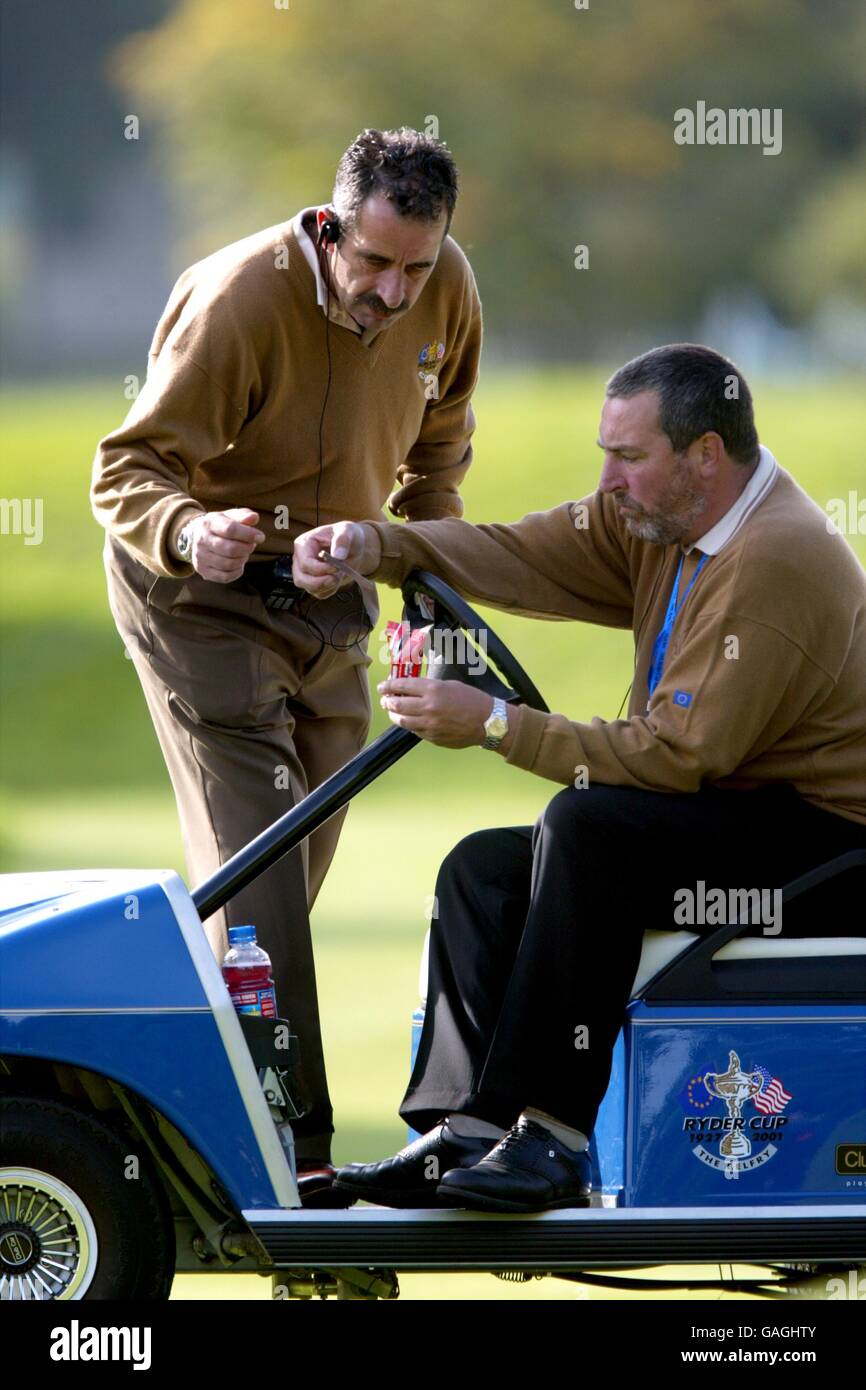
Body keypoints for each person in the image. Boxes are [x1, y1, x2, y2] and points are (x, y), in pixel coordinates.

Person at [291, 343, 866, 1212]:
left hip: (831, 853)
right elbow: (522, 553)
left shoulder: (771, 559)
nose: (608, 478)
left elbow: (677, 756)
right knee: (482, 872)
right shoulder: (662, 521)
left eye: (628, 456)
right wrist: (380, 545)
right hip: (748, 814)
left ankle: (552, 1139)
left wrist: (492, 723)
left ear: (704, 455)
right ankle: (466, 1134)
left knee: (587, 831)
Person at [90, 127, 483, 1206]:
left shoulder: (444, 286)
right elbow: (124, 470)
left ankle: (163, 1085)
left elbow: (438, 449)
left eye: (416, 265)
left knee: (280, 883)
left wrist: (423, 575)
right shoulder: (236, 299)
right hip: (200, 600)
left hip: (330, 598)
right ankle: (289, 1164)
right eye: (373, 262)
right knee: (262, 873)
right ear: (329, 226)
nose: (395, 289)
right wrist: (185, 529)